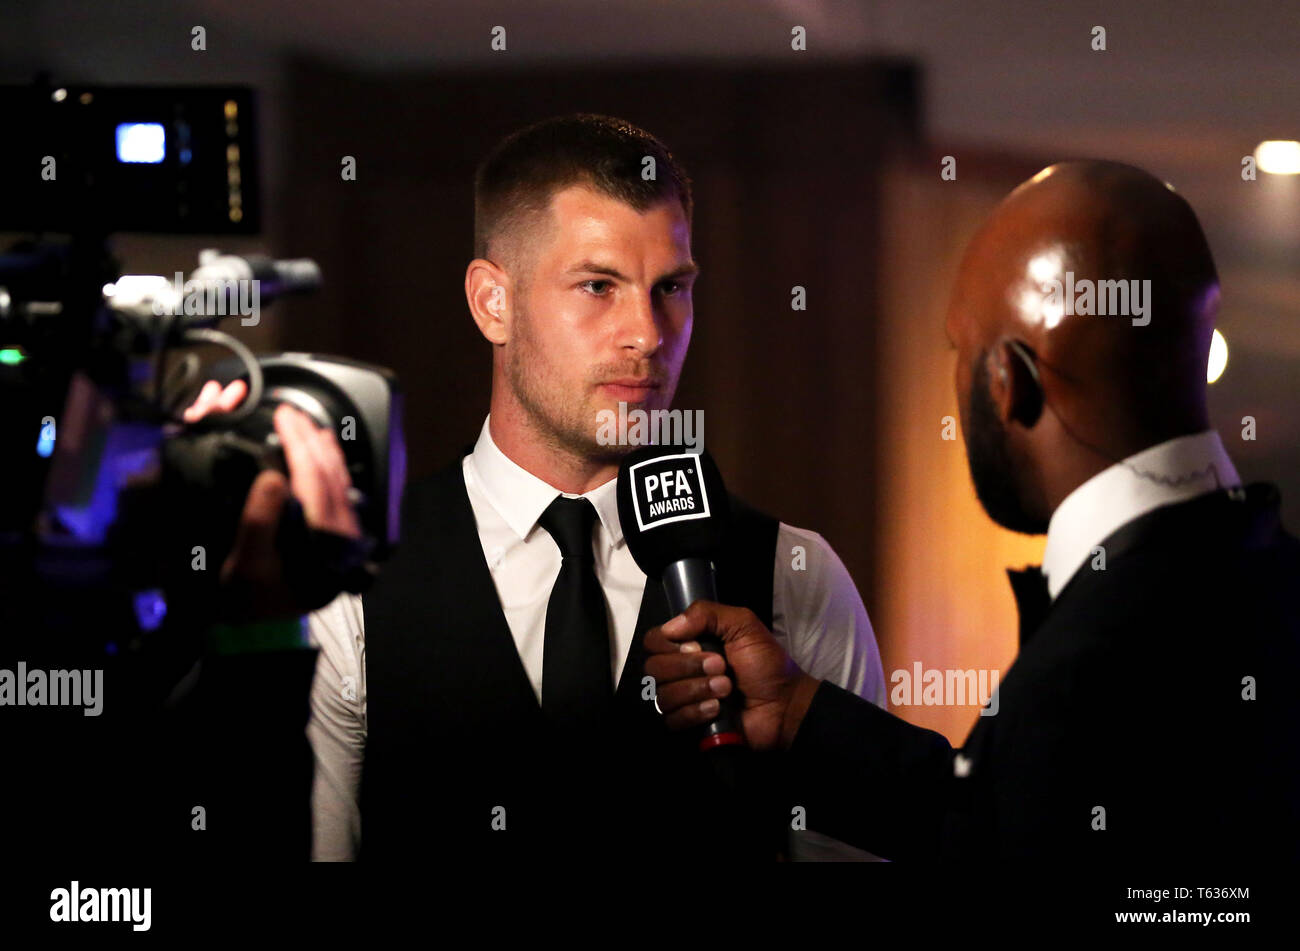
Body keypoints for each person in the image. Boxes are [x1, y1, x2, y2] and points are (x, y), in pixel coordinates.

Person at [645, 160, 1300, 863]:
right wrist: (801, 712)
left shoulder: (1095, 660)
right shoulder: (1266, 578)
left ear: (1007, 381)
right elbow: (1004, 827)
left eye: (960, 351)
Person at [304, 114, 887, 861]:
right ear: (493, 303)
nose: (647, 332)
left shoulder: (792, 574)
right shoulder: (350, 582)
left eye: (671, 287)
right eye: (598, 285)